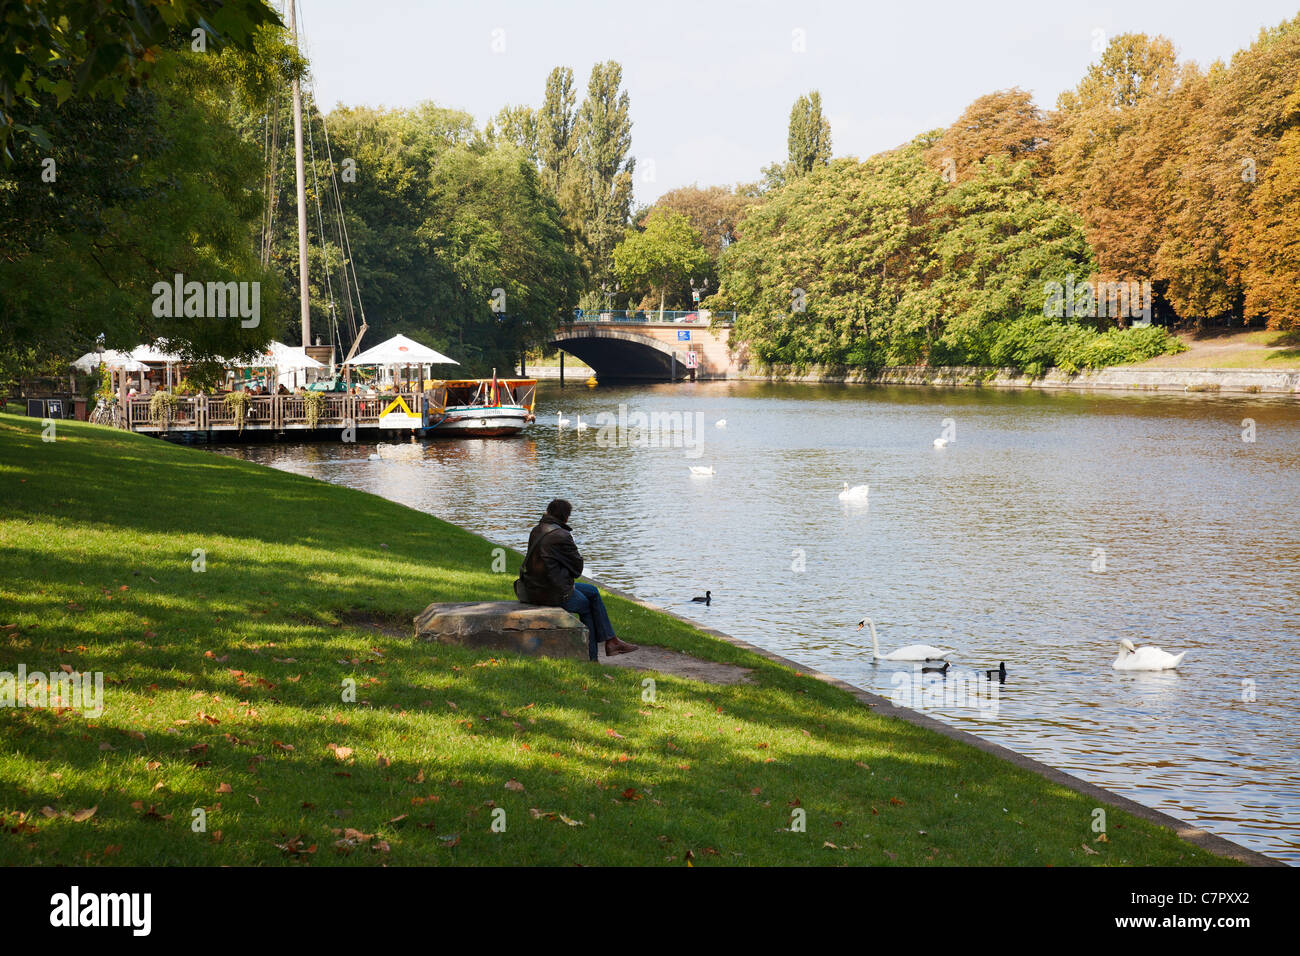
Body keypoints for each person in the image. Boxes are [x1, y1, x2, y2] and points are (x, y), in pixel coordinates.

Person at [515, 499, 637, 660]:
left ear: (548, 512)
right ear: (566, 518)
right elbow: (577, 569)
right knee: (586, 606)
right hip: (552, 593)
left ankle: (611, 641)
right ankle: (592, 658)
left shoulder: (537, 530)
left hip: (534, 589)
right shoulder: (562, 536)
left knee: (593, 591)